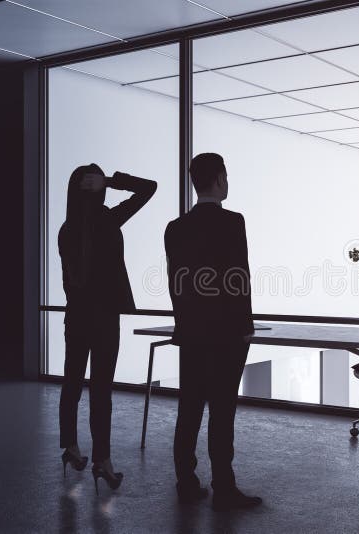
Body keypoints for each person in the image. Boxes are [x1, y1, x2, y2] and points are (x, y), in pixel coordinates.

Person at [164, 153, 261, 511]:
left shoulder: (174, 228)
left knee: (188, 408)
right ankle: (223, 485)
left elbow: (177, 283)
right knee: (222, 411)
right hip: (225, 335)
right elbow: (239, 277)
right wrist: (245, 327)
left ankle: (185, 481)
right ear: (219, 179)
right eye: (226, 176)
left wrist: (185, 323)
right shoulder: (233, 222)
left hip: (191, 332)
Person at [58, 164, 156, 493]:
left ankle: (71, 448)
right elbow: (149, 188)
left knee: (72, 382)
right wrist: (113, 181)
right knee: (101, 390)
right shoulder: (108, 221)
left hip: (75, 316)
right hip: (103, 319)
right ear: (98, 190)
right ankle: (103, 462)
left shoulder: (66, 229)